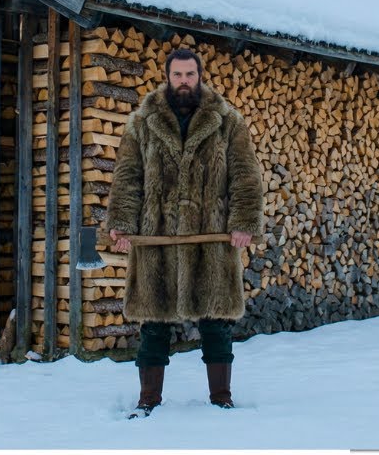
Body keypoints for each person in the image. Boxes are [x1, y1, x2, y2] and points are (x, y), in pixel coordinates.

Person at [106, 47, 264, 416]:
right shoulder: (142, 123)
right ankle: (148, 400)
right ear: (167, 77)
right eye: (177, 75)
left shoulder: (227, 122)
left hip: (209, 239)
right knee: (153, 323)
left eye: (189, 75)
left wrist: (243, 223)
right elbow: (128, 176)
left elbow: (246, 176)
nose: (183, 81)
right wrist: (123, 222)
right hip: (156, 238)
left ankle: (221, 397)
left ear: (200, 76)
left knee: (216, 322)